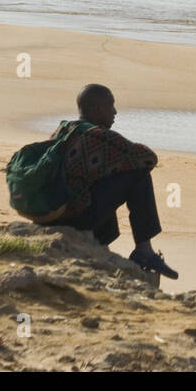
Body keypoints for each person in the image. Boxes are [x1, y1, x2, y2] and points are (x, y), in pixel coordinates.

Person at [48, 83, 178, 278]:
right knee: (138, 175)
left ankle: (99, 245)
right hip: (76, 218)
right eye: (111, 106)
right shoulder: (99, 137)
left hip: (54, 214)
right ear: (97, 109)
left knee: (105, 177)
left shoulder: (64, 129)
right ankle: (144, 250)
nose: (115, 112)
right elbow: (148, 158)